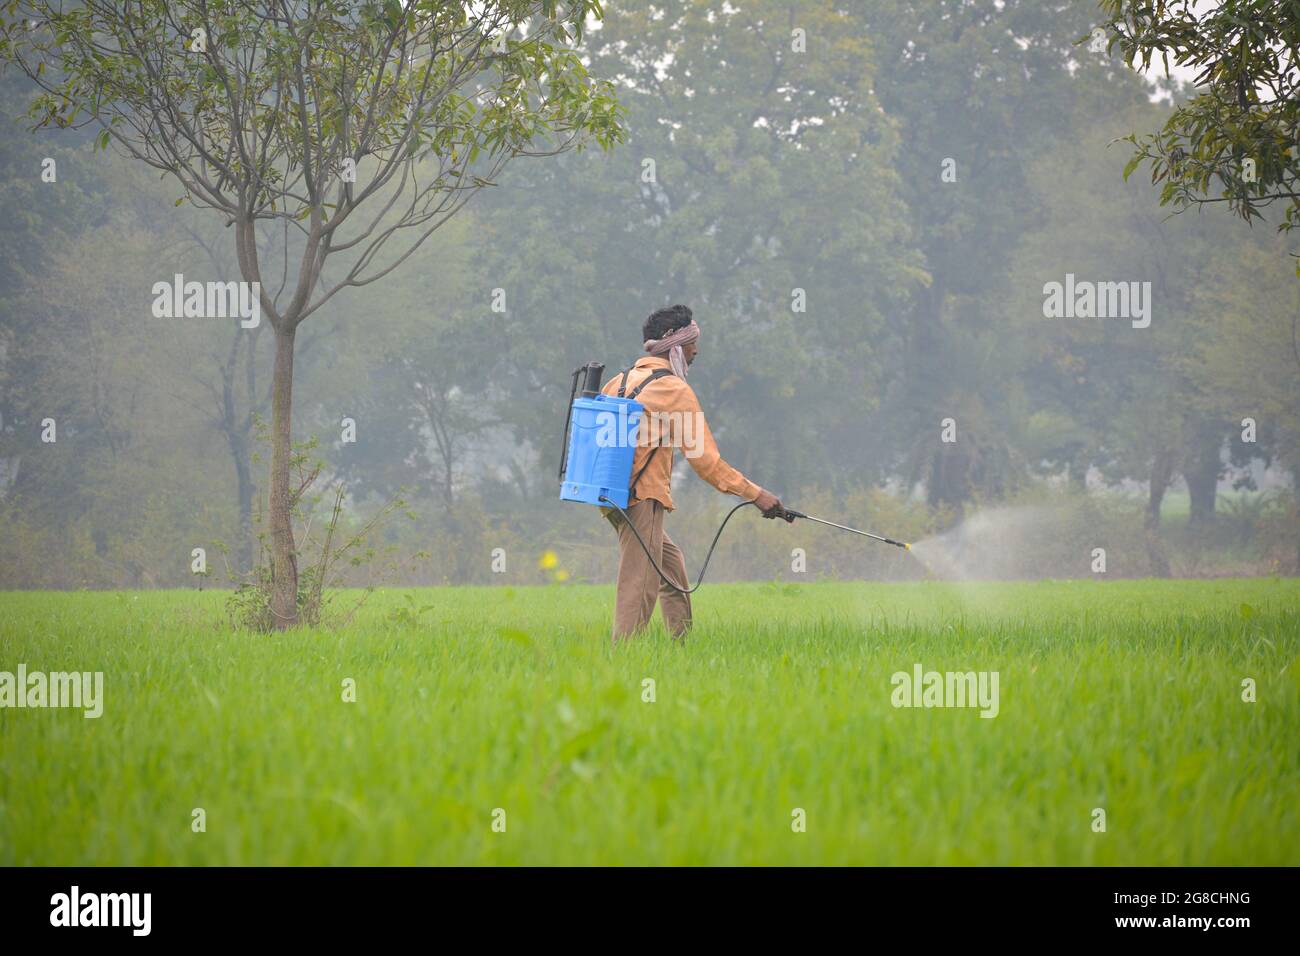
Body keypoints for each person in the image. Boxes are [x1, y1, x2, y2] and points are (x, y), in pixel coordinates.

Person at [600, 304, 787, 642]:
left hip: (608, 496)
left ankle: (681, 647)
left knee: (670, 569)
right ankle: (622, 661)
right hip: (643, 498)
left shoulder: (619, 380)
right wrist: (757, 495)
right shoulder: (672, 389)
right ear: (674, 347)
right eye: (691, 343)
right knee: (639, 583)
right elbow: (707, 464)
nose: (696, 350)